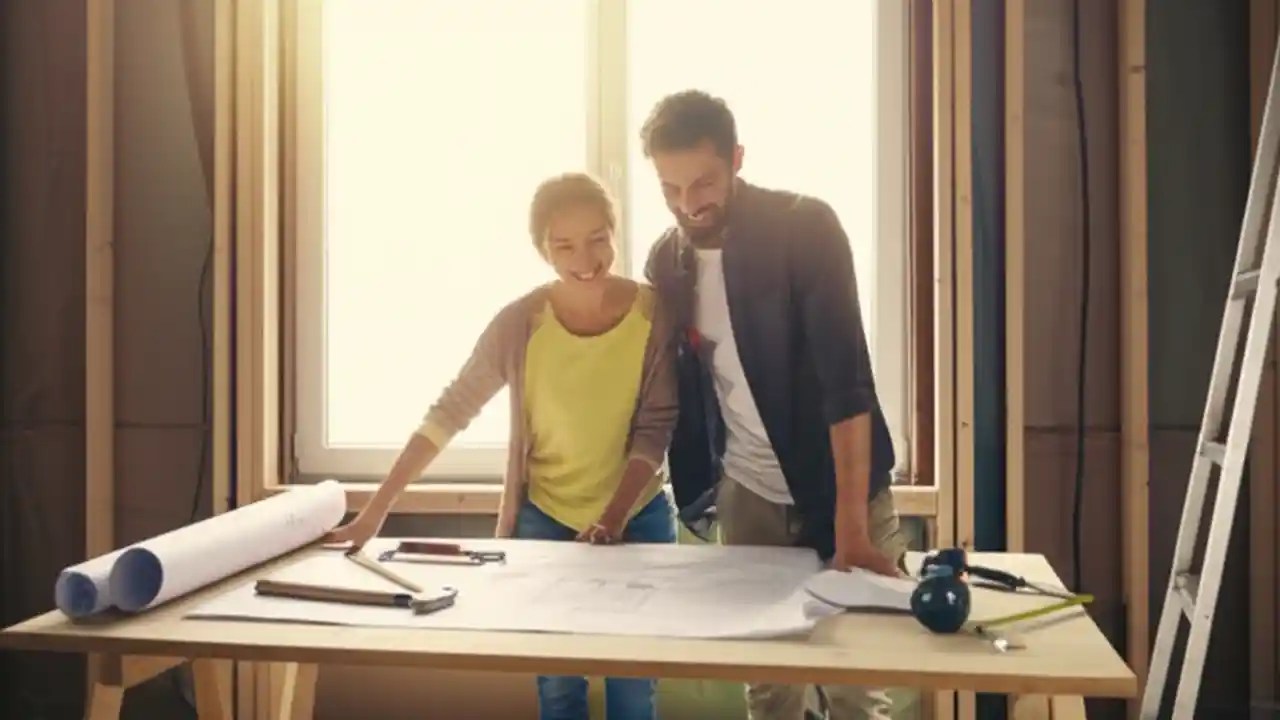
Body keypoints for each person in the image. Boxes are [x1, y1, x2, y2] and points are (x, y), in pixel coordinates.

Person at [323, 172, 679, 720]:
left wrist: (612, 519)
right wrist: (374, 512)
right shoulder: (519, 324)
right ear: (542, 250)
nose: (585, 257)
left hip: (638, 515)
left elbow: (656, 430)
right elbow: (450, 412)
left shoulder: (652, 316)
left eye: (597, 238)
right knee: (559, 687)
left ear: (615, 233)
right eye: (564, 245)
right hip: (547, 521)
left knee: (633, 690)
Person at [639, 89, 909, 720]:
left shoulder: (805, 228)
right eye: (670, 189)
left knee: (853, 679)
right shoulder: (667, 260)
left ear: (736, 158)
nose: (688, 204)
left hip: (842, 488)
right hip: (749, 492)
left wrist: (850, 526)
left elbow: (848, 382)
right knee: (769, 685)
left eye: (703, 182)